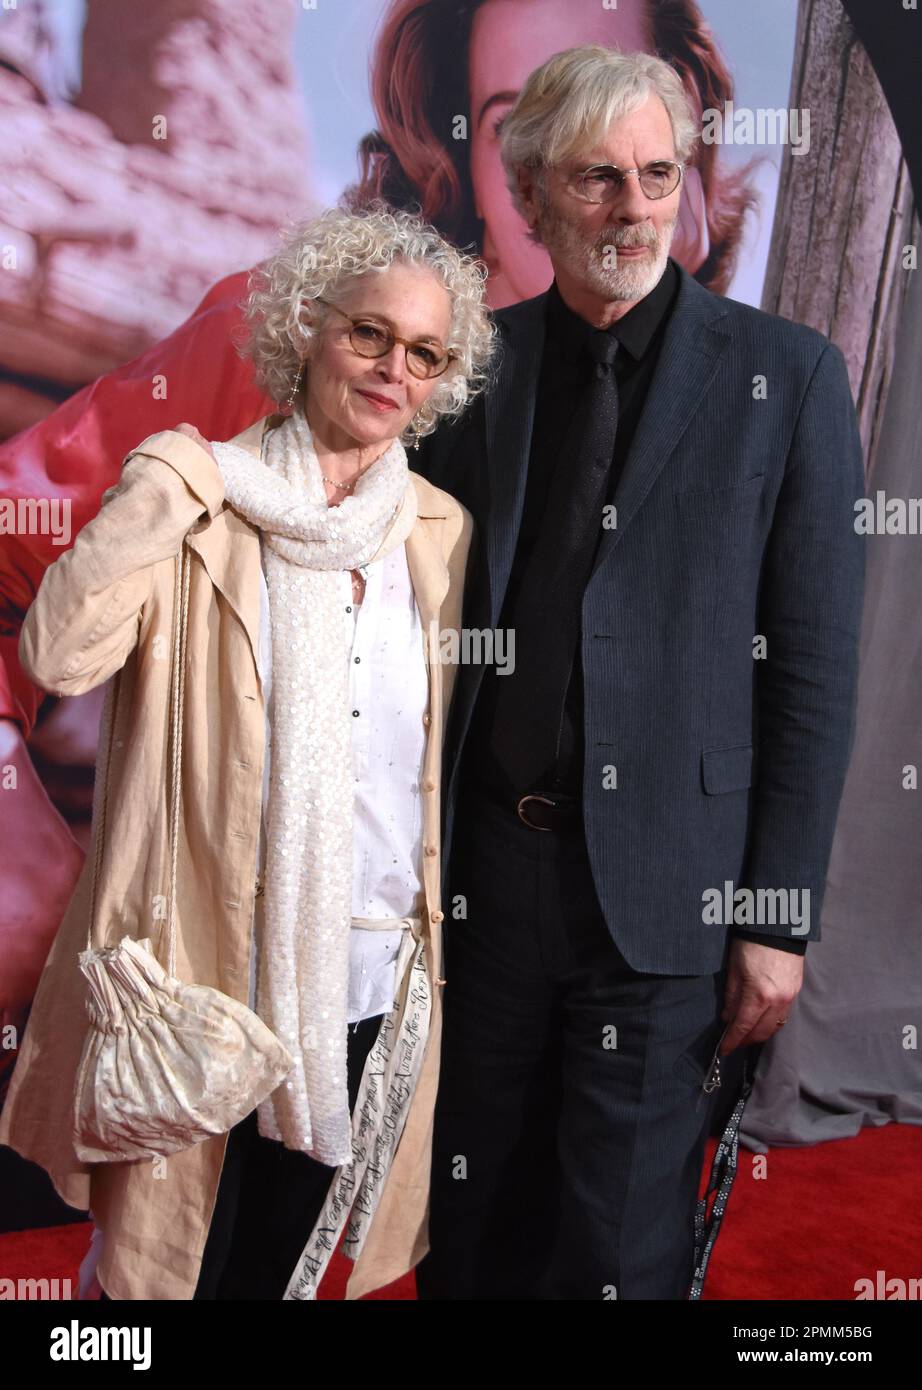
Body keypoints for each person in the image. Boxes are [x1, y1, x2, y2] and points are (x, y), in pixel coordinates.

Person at [409, 44, 866, 1299]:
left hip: (677, 889)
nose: (632, 208)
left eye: (657, 175)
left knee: (619, 1248)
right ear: (531, 193)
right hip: (488, 878)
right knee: (473, 1223)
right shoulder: (466, 375)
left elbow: (814, 673)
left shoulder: (787, 378)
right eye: (598, 179)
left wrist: (777, 915)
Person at [0, 204, 496, 1300]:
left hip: (365, 980)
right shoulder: (200, 492)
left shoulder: (435, 530)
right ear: (306, 327)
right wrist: (170, 477)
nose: (392, 370)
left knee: (282, 1267)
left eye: (424, 354)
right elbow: (62, 650)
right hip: (205, 980)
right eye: (369, 334)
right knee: (152, 1278)